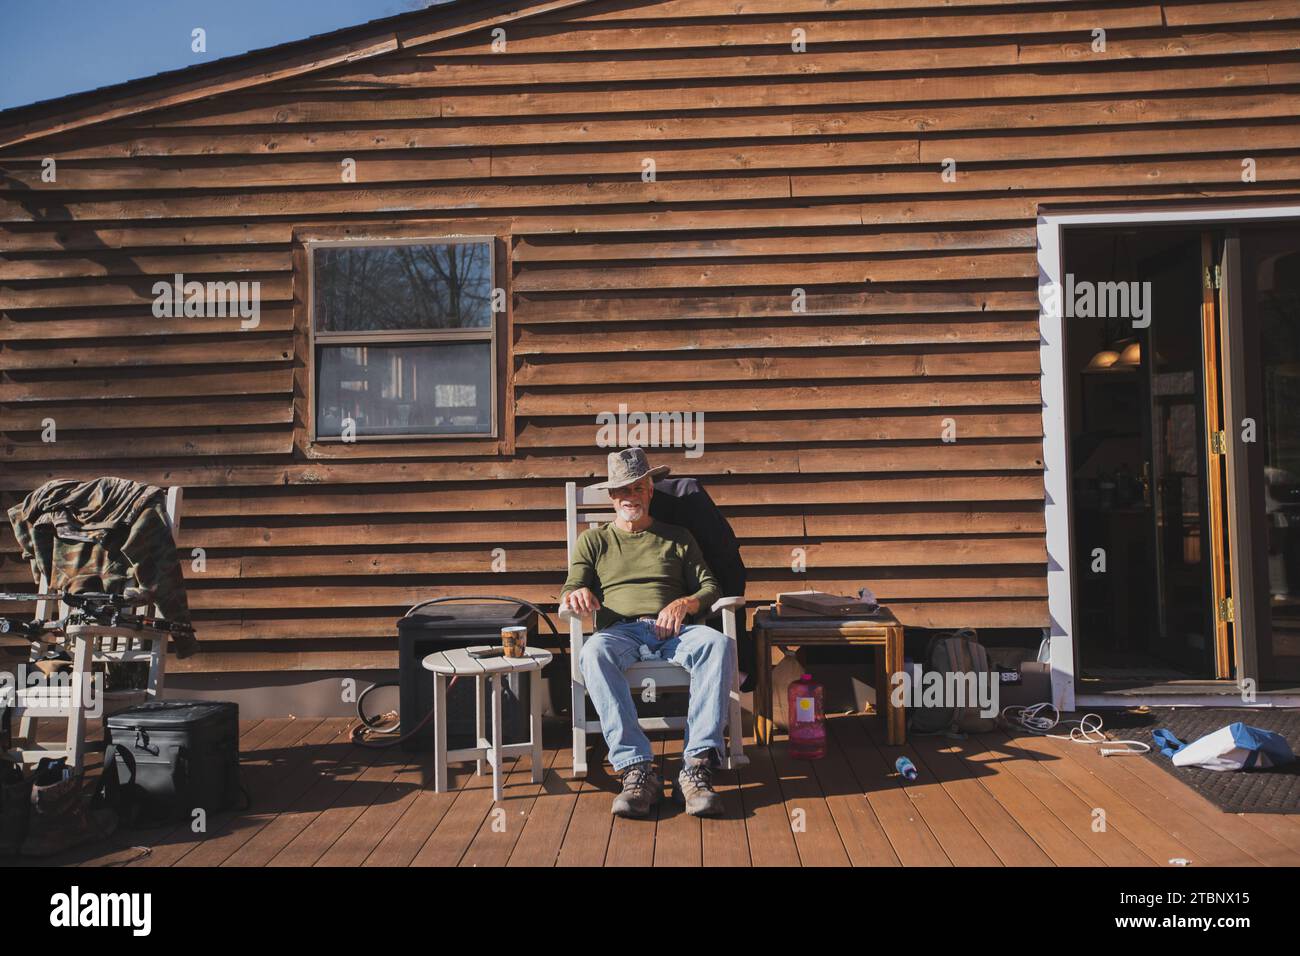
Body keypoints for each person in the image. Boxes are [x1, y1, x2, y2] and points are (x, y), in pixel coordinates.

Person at [561, 448, 734, 819]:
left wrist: (685, 604)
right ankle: (637, 769)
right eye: (621, 490)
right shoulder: (594, 541)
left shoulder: (678, 537)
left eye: (637, 488)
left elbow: (710, 587)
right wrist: (576, 594)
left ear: (650, 490)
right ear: (611, 497)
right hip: (620, 631)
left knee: (716, 644)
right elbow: (572, 585)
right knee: (592, 653)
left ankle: (696, 766)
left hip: (674, 629)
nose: (629, 496)